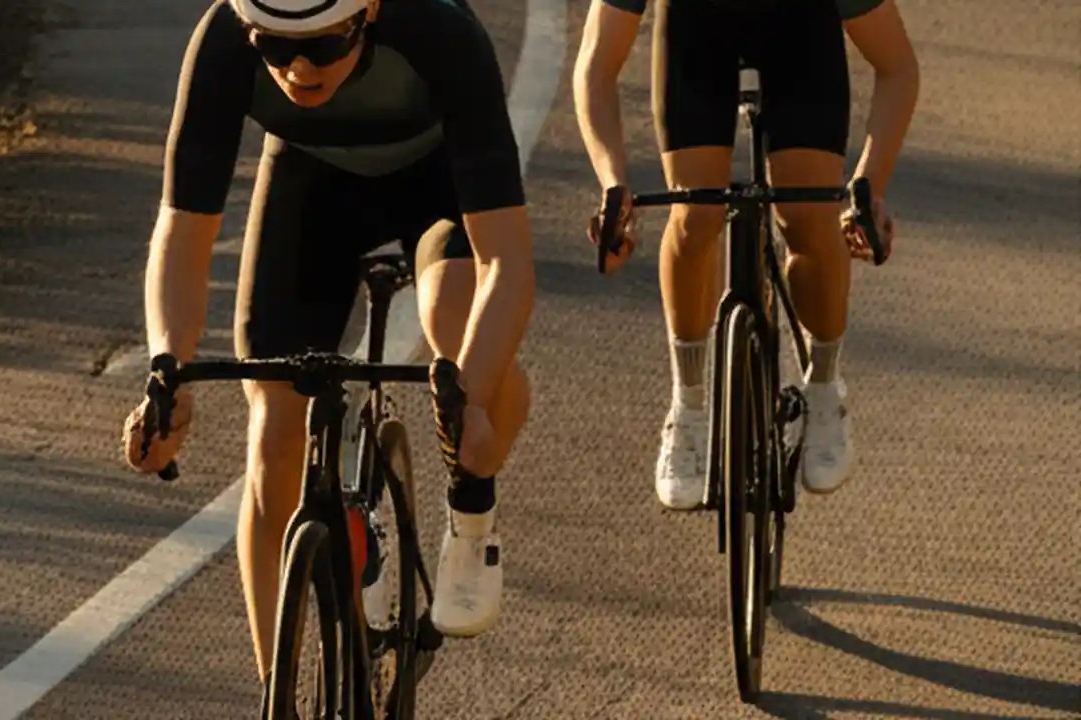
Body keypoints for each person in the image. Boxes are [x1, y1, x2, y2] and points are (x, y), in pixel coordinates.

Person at [119, 0, 535, 699]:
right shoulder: (222, 39)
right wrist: (168, 370)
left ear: (367, 13)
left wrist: (472, 403)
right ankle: (276, 691)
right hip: (311, 183)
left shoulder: (439, 32)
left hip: (440, 183)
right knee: (274, 433)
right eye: (274, 46)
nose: (297, 68)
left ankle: (472, 511)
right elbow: (182, 233)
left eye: (322, 45)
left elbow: (509, 267)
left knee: (456, 328)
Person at [573, 0, 919, 509]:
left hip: (798, 35)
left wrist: (870, 185)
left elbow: (897, 66)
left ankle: (824, 389)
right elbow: (596, 66)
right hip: (695, 37)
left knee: (807, 216)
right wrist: (613, 184)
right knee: (695, 215)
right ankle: (688, 408)